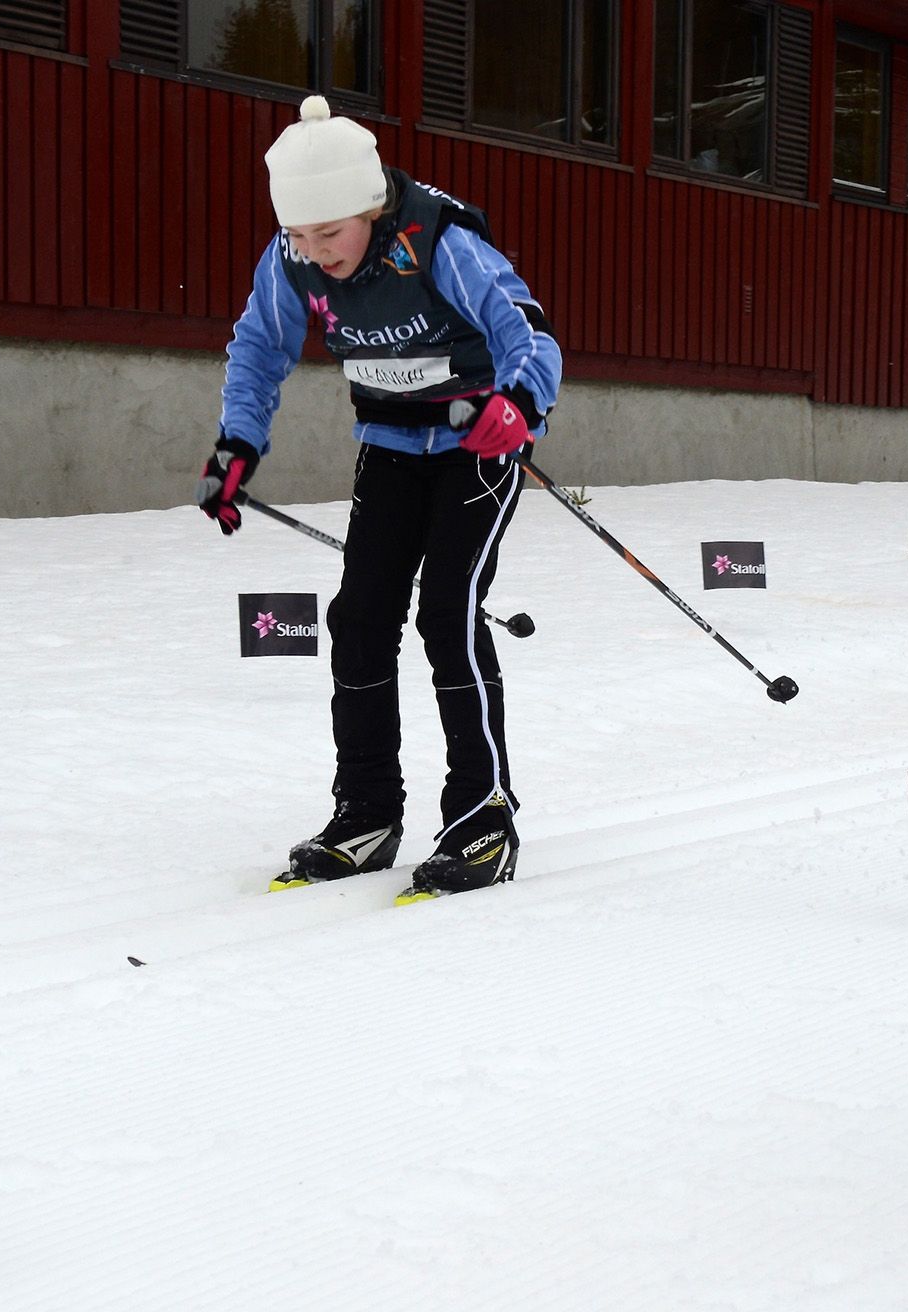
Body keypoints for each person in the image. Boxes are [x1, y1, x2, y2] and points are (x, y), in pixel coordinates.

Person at [196, 96, 563, 903]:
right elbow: (259, 348)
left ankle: (482, 815)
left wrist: (521, 406)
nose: (316, 251)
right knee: (360, 618)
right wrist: (236, 445)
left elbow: (530, 334)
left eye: (331, 234)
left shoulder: (440, 241)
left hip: (476, 444)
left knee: (448, 612)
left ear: (370, 208)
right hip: (392, 447)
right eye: (300, 234)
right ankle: (365, 812)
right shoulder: (290, 260)